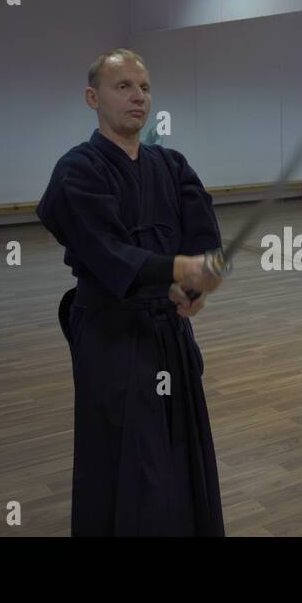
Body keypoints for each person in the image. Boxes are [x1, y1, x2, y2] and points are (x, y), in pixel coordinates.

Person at [37, 48, 225, 536]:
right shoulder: (77, 171)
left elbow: (201, 230)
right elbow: (107, 252)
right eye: (123, 86)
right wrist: (175, 268)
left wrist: (194, 282)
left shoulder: (172, 164)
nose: (137, 97)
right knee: (126, 458)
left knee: (180, 451)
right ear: (92, 97)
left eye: (144, 88)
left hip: (171, 336)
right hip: (113, 338)